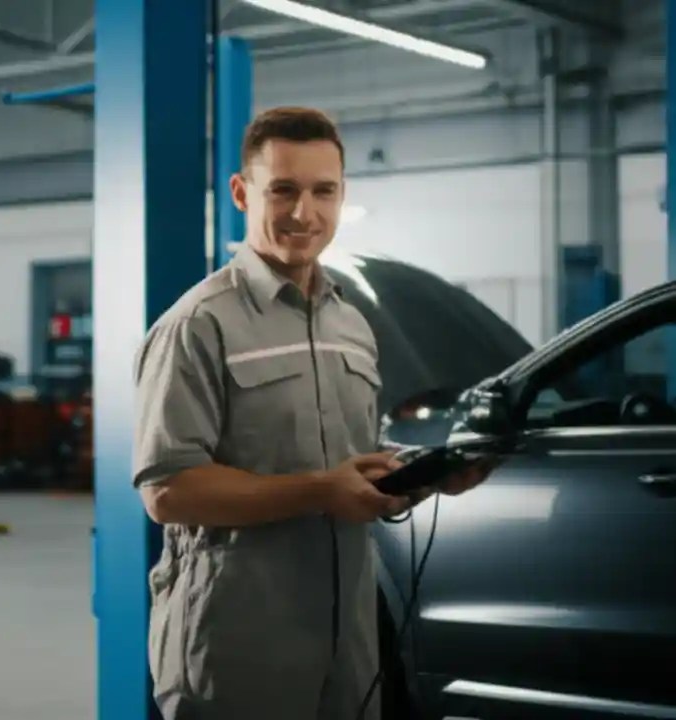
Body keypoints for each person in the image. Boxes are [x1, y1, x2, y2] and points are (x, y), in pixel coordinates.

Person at [132, 106, 485, 719]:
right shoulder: (198, 324)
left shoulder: (350, 323)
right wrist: (322, 491)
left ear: (343, 194)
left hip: (347, 640)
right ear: (243, 193)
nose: (305, 213)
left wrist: (421, 475)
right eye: (284, 190)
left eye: (324, 192)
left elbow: (347, 460)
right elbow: (169, 489)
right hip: (238, 640)